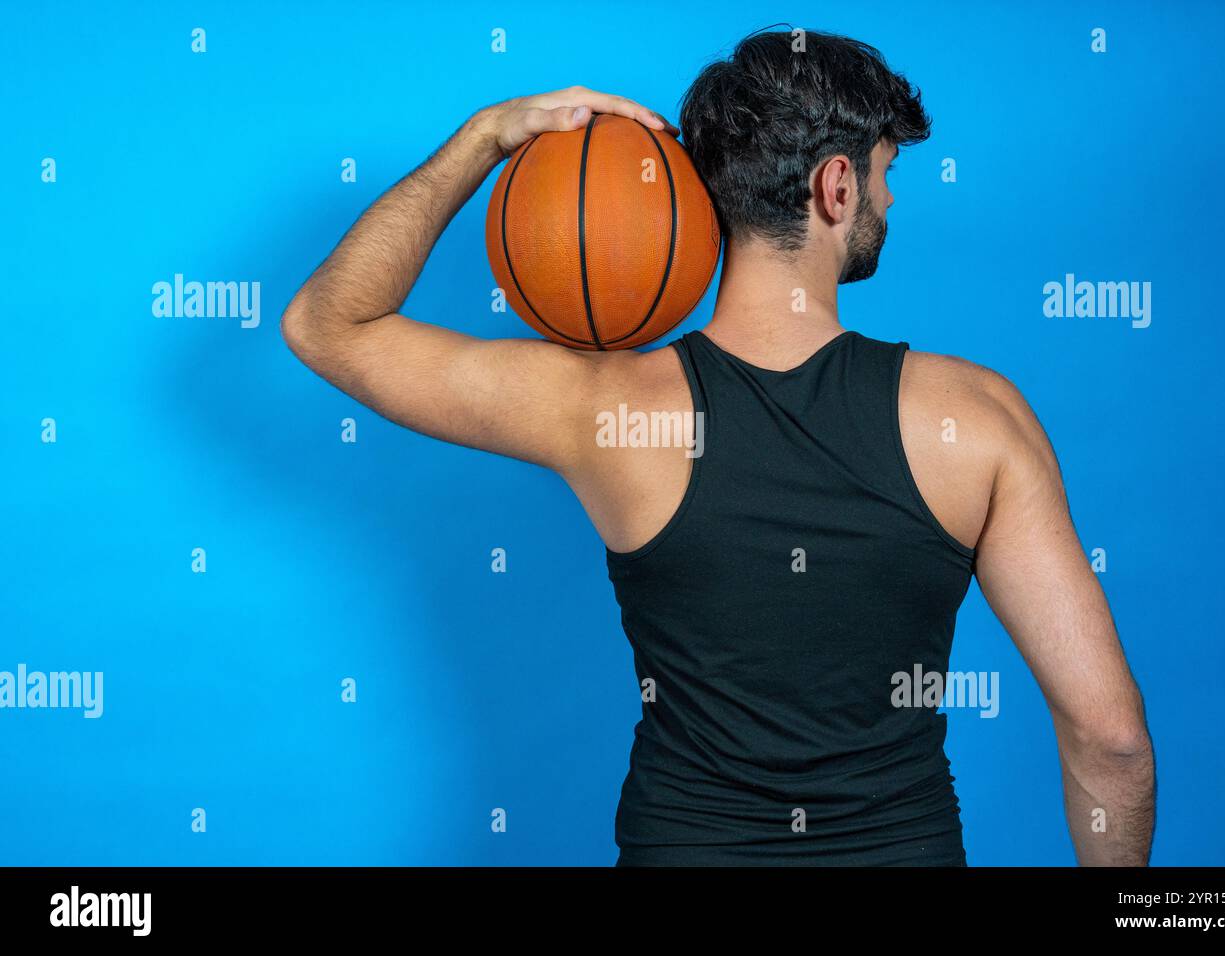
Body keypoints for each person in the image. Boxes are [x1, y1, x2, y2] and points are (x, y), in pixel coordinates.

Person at [281, 29, 1155, 866]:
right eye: (886, 174)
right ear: (836, 186)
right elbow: (1109, 740)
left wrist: (486, 135)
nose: (891, 200)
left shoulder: (600, 409)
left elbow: (327, 325)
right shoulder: (980, 415)